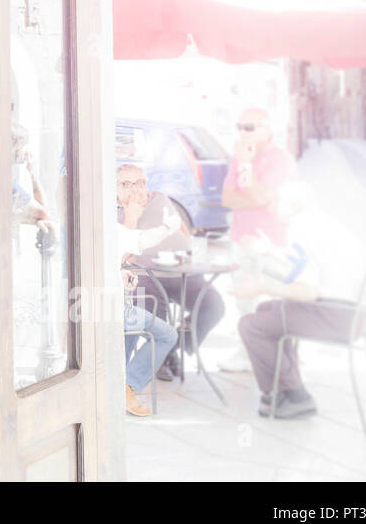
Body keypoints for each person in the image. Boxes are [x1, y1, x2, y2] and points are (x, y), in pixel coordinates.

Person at [235, 225, 366, 420]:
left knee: (250, 325)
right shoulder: (334, 235)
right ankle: (285, 390)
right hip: (352, 316)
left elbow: (307, 292)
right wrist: (270, 253)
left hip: (333, 316)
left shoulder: (309, 239)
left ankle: (296, 395)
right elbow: (301, 269)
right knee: (266, 310)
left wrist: (262, 287)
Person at [116, 164, 226, 380]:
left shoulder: (160, 199)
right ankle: (162, 356)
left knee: (214, 306)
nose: (135, 189)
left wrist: (194, 252)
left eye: (140, 183)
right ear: (116, 189)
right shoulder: (114, 214)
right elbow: (121, 250)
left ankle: (170, 350)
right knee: (153, 314)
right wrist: (132, 216)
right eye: (126, 184)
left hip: (183, 272)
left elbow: (182, 229)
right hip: (145, 276)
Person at [220, 108, 295, 371]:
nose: (242, 132)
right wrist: (253, 192)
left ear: (267, 128)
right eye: (239, 126)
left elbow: (263, 196)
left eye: (249, 127)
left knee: (271, 302)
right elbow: (228, 198)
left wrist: (246, 167)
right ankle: (247, 354)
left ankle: (279, 358)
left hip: (270, 241)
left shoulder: (280, 159)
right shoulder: (240, 155)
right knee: (244, 301)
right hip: (241, 237)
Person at [117, 223, 178, 417]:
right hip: (108, 308)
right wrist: (169, 227)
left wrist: (120, 274)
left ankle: (118, 384)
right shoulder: (109, 225)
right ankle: (127, 386)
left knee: (134, 321)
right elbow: (142, 239)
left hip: (89, 305)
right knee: (168, 335)